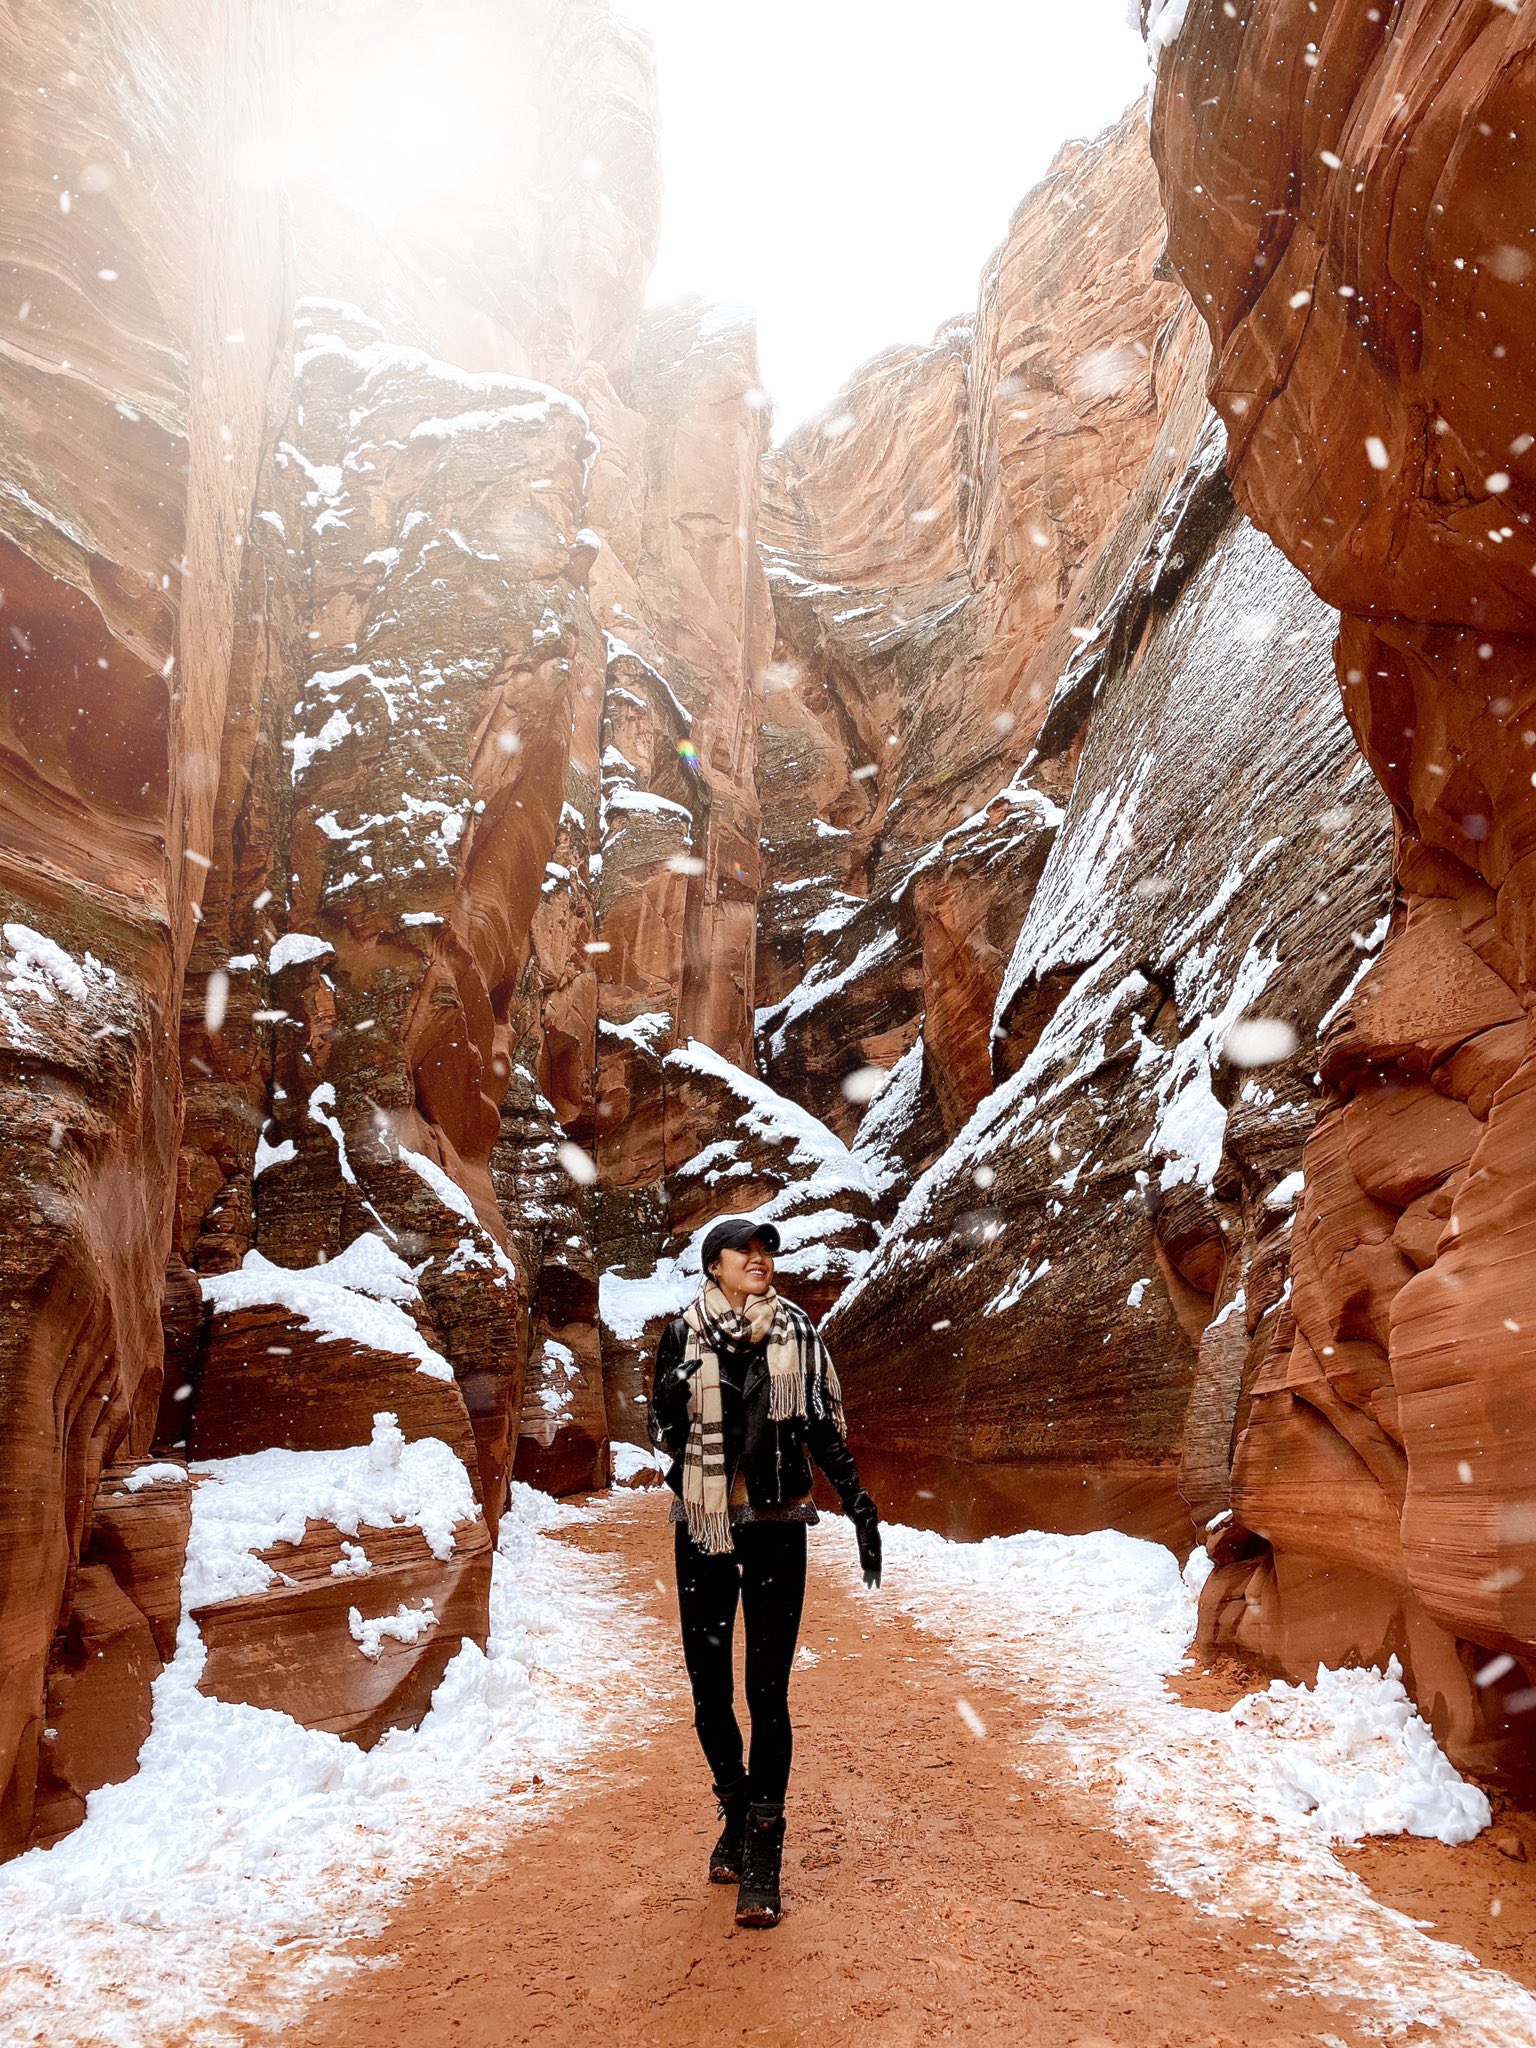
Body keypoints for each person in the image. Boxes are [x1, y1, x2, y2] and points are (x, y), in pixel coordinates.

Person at [647, 1214, 882, 1930]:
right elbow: (662, 1433)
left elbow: (818, 1427)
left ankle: (763, 1856)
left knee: (767, 1692)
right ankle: (736, 1806)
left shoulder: (797, 1335)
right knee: (710, 1697)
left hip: (779, 1526)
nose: (759, 1258)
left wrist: (861, 1503)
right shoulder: (682, 1334)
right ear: (712, 1265)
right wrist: (667, 1399)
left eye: (765, 1250)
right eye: (744, 1250)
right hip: (705, 1531)